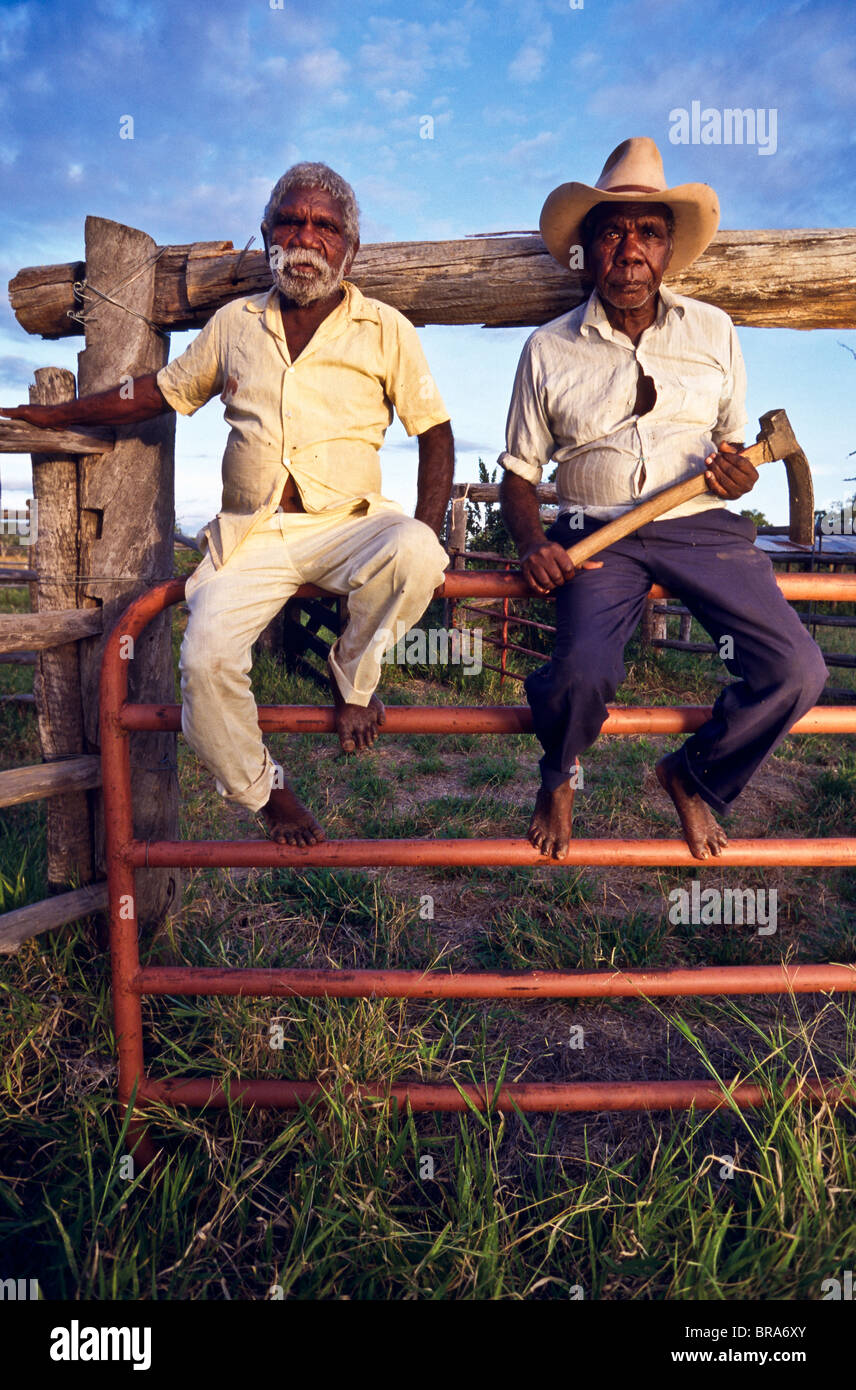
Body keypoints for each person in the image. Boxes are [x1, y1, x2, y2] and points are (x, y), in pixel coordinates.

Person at [2, 162, 454, 846]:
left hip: (353, 522)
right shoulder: (235, 324)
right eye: (291, 221)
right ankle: (264, 790)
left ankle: (353, 678)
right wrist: (59, 412)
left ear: (349, 247)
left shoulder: (385, 328)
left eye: (324, 226)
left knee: (421, 552)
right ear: (267, 233)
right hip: (252, 535)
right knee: (204, 661)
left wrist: (424, 519)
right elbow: (154, 392)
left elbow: (436, 431)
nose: (306, 237)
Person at [498, 137, 827, 861]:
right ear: (589, 248)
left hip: (700, 523)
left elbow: (734, 450)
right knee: (583, 673)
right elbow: (518, 476)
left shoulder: (714, 330)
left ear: (669, 249)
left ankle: (695, 776)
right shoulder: (548, 349)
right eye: (612, 230)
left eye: (647, 232)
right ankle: (558, 772)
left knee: (799, 670)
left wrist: (741, 474)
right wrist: (532, 543)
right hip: (595, 532)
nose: (630, 248)